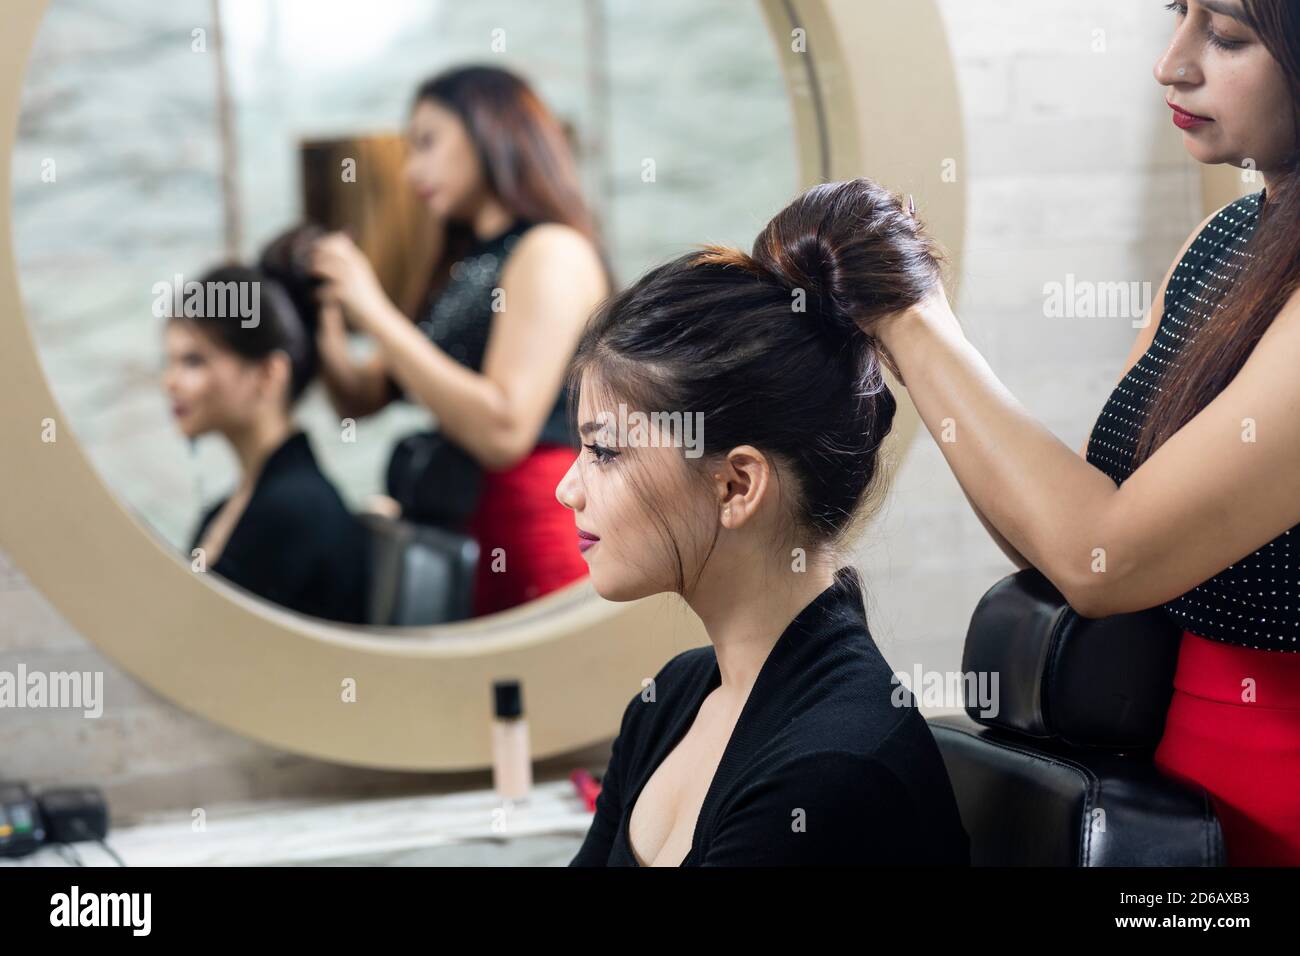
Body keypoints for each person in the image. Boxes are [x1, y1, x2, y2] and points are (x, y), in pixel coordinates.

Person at [863, 0, 1300, 864]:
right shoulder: (1223, 242)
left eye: (1227, 35)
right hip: (1176, 783)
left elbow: (1109, 557)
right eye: (1180, 15)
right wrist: (911, 340)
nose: (1171, 64)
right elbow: (1067, 542)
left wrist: (914, 321)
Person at [560, 179, 970, 866]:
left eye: (603, 450)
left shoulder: (829, 771)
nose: (566, 488)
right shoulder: (671, 704)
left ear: (737, 484)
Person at [309, 64, 610, 616]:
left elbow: (504, 429)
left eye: (426, 142)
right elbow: (361, 397)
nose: (410, 171)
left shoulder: (552, 250)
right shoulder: (463, 263)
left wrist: (374, 311)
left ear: (489, 131)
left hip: (529, 532)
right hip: (459, 530)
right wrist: (330, 308)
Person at [163, 258, 369, 624]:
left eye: (193, 361)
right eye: (171, 362)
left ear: (268, 373)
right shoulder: (232, 507)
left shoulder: (294, 511)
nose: (171, 382)